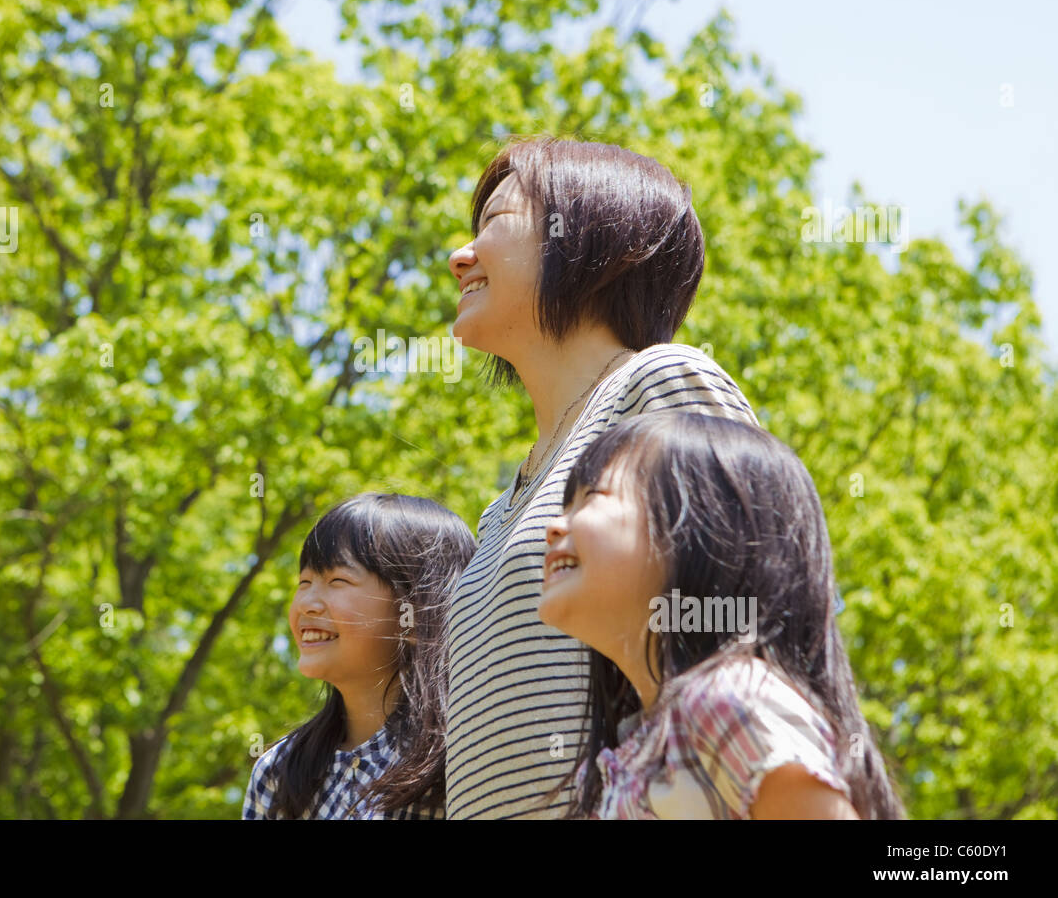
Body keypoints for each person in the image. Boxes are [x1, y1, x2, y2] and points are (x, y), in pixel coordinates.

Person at [445, 135, 759, 819]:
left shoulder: (663, 385)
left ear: (595, 244)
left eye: (494, 225)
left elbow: (754, 634)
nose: (458, 257)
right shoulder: (501, 508)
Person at [539, 411, 904, 819]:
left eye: (592, 497)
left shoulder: (726, 701)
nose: (554, 526)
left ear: (700, 534)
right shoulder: (623, 758)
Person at [242, 493, 475, 818]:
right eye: (304, 581)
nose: (307, 602)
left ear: (415, 613)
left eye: (338, 580)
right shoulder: (277, 772)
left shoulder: (460, 758)